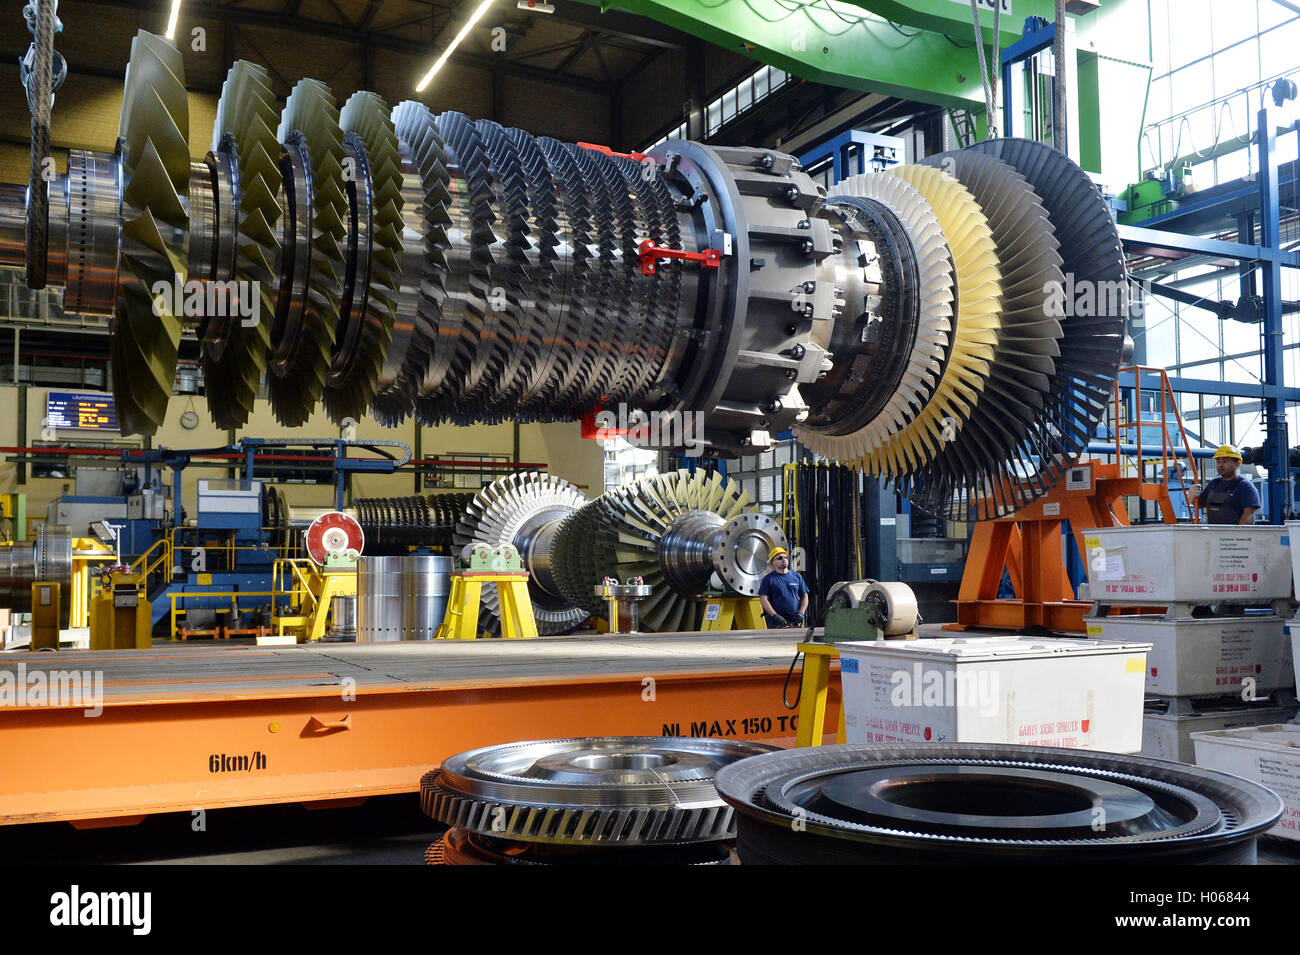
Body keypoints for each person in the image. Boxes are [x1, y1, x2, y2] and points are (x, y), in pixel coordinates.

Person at [1194, 445, 1260, 525]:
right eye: (1218, 462)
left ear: (1237, 464)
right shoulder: (1214, 484)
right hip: (1213, 534)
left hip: (1235, 535)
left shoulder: (1245, 486)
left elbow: (1248, 516)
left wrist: (1236, 535)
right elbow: (1200, 504)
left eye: (1225, 461)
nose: (1220, 465)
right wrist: (1193, 496)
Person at [757, 546, 809, 629]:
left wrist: (801, 613)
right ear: (773, 562)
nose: (784, 559)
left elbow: (804, 596)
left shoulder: (797, 577)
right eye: (780, 558)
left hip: (795, 620)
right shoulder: (768, 579)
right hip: (776, 623)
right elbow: (763, 600)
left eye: (785, 557)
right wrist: (775, 616)